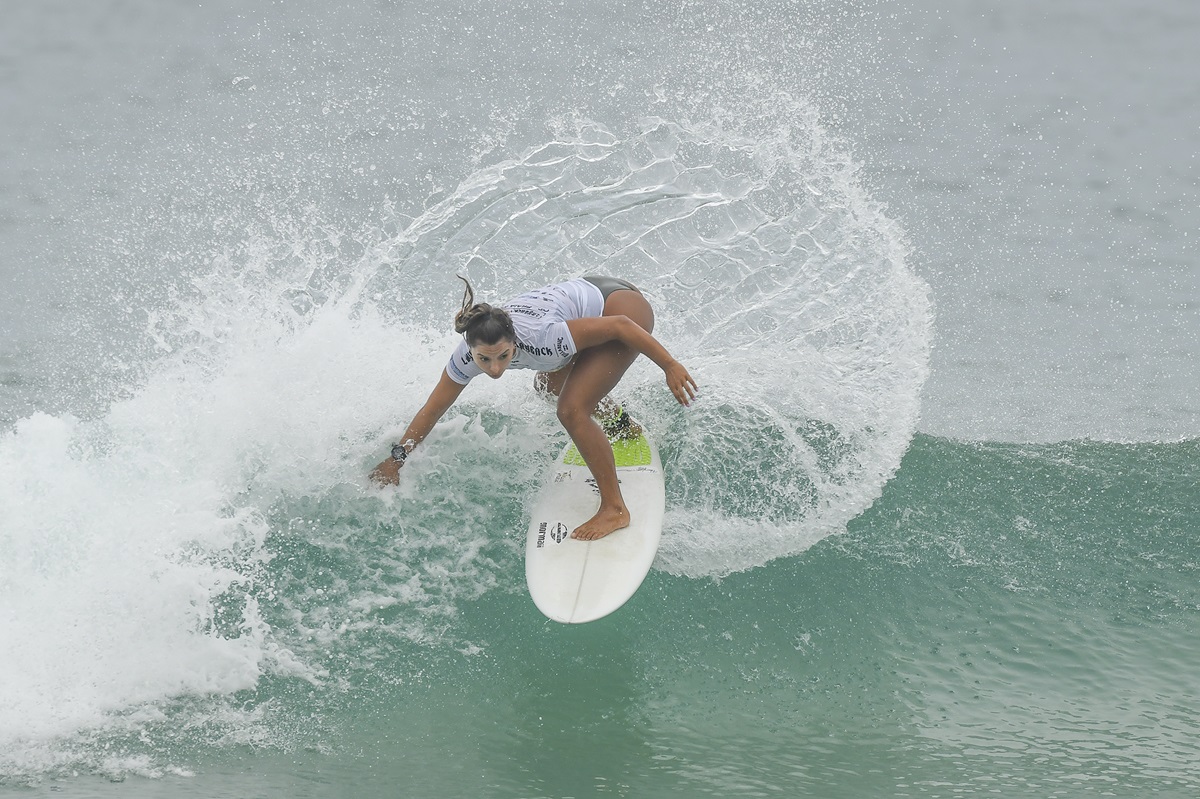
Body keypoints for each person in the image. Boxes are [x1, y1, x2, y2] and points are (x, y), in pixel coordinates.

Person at [370, 275, 698, 540]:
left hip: (621, 306)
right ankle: (621, 427)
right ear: (471, 350)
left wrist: (669, 365)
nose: (495, 368)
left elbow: (621, 326)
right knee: (548, 385)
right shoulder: (467, 356)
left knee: (571, 410)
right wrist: (396, 460)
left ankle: (615, 509)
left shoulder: (544, 338)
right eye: (484, 359)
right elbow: (432, 408)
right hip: (591, 294)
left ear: (515, 342)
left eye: (503, 356)